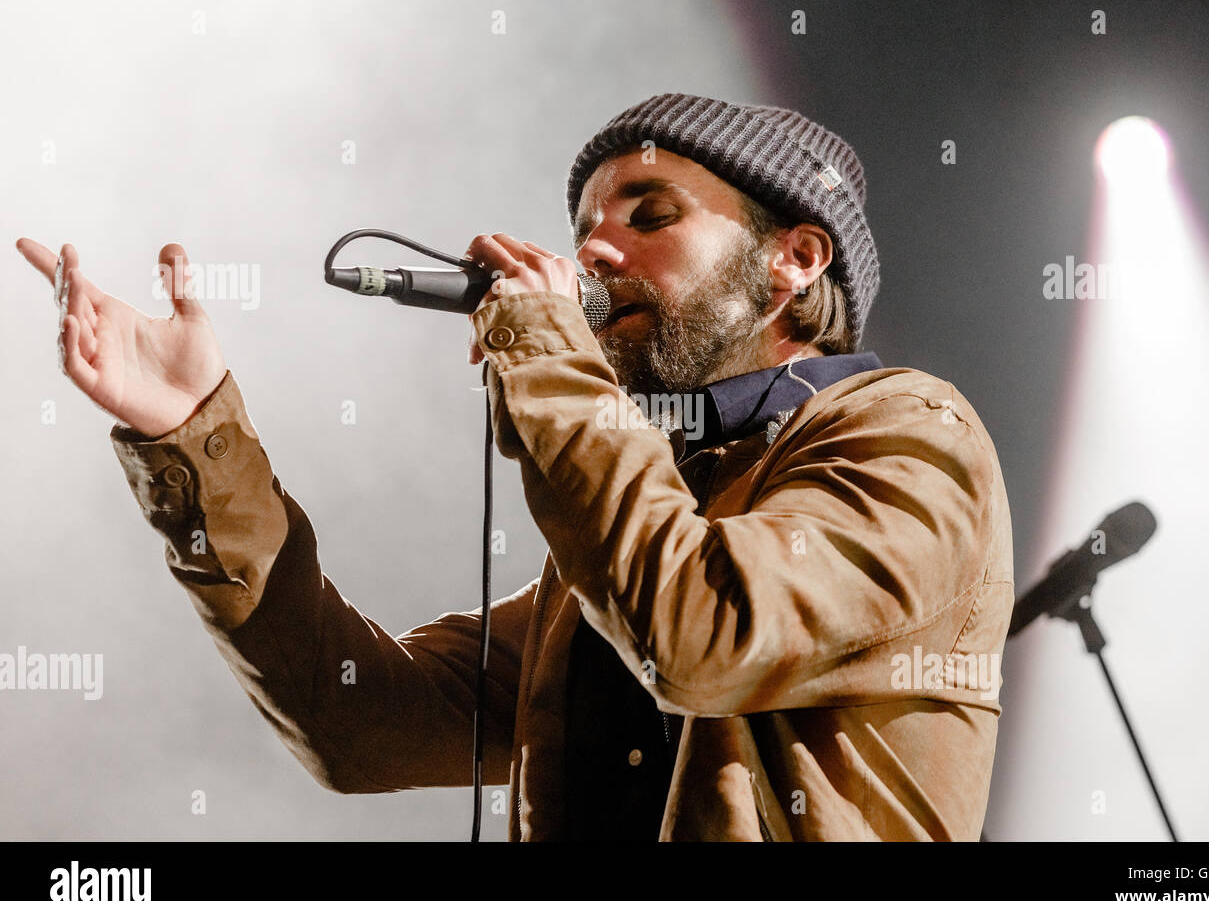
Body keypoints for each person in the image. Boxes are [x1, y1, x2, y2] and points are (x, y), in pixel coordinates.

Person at [17, 92, 1014, 841]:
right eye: (584, 227)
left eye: (650, 215)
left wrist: (543, 358)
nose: (595, 254)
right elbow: (354, 720)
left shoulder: (908, 432)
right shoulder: (631, 526)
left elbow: (705, 633)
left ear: (793, 259)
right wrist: (193, 438)